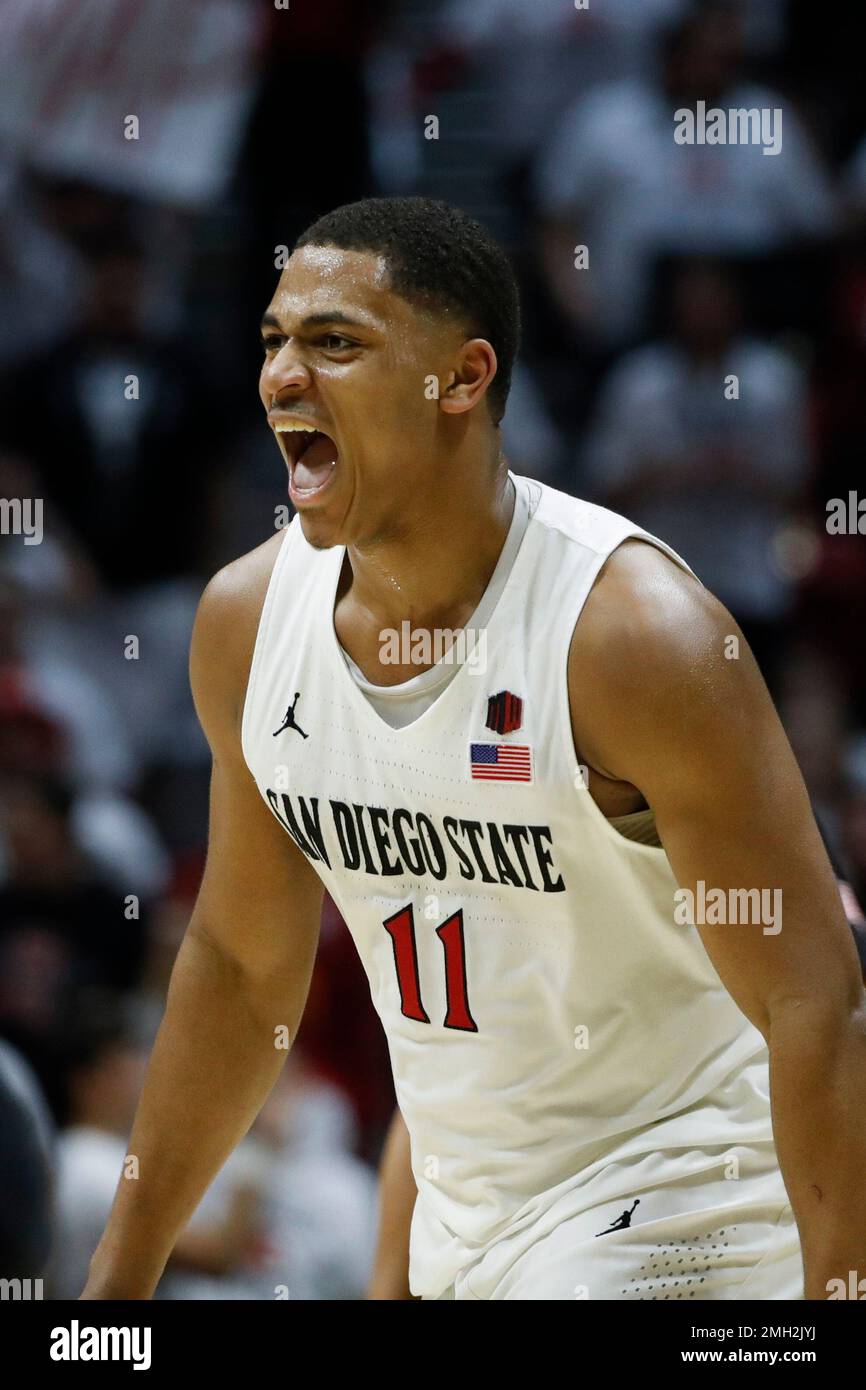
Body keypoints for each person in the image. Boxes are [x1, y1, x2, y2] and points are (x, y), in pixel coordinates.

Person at [82, 196, 865, 1302]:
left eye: (334, 342)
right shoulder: (245, 624)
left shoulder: (634, 636)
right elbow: (242, 966)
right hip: (471, 1226)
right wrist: (113, 1289)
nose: (281, 378)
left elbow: (813, 1001)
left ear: (459, 377)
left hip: (689, 1215)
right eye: (272, 341)